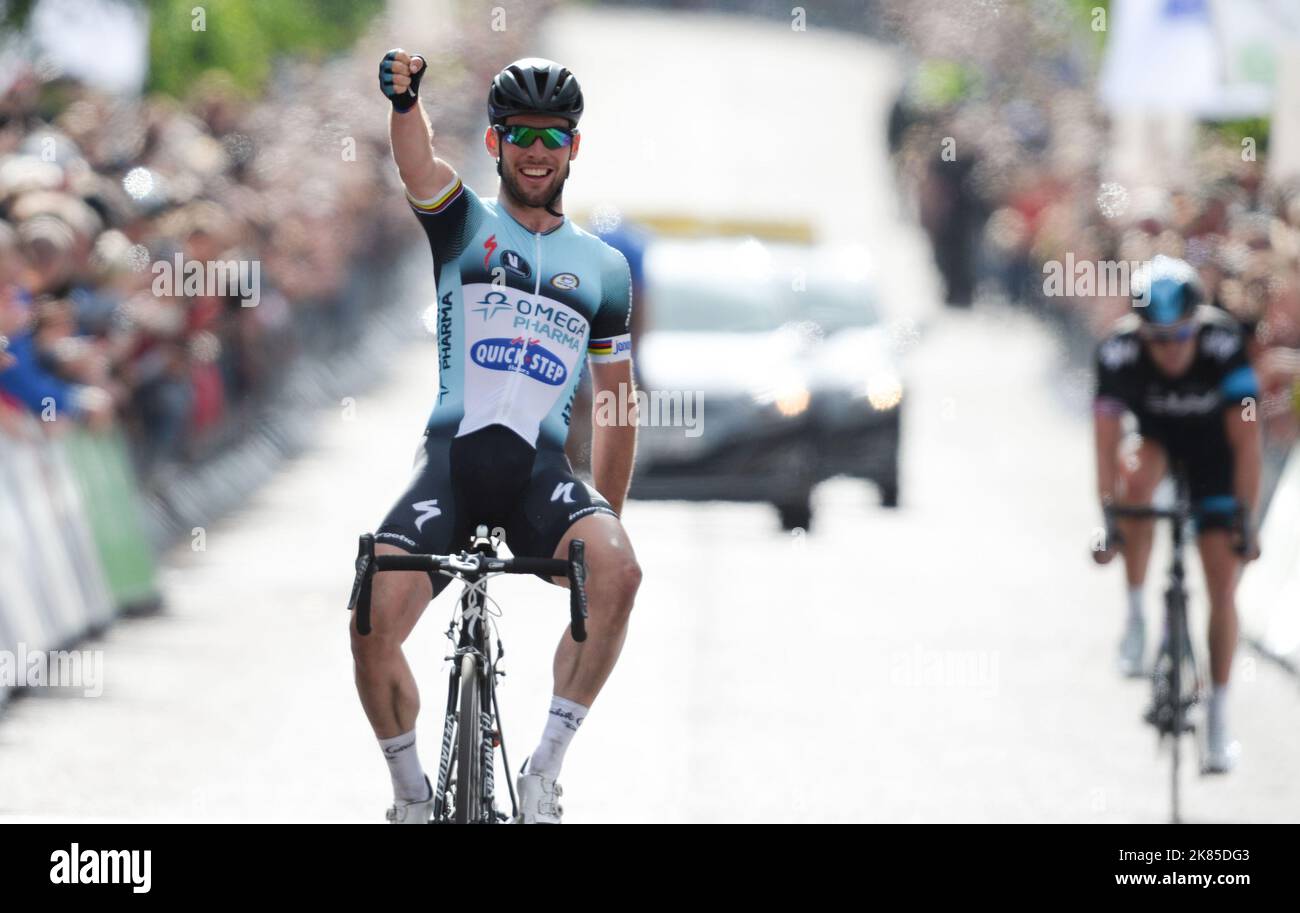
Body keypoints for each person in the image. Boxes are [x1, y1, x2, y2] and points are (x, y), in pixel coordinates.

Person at [353, 51, 642, 823]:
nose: (537, 151)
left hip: (540, 472)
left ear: (574, 147)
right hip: (452, 463)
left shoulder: (605, 268)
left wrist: (603, 518)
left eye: (553, 136)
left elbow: (615, 400)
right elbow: (416, 163)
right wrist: (406, 101)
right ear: (495, 143)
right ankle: (411, 793)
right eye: (521, 134)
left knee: (620, 568)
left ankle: (545, 768)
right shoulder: (463, 226)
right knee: (370, 618)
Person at [1092, 255, 1261, 774]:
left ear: (1197, 324)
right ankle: (1138, 614)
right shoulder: (1118, 352)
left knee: (1220, 581)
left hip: (1216, 455)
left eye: (1181, 336)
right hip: (1157, 441)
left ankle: (1218, 719)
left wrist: (1245, 522)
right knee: (1136, 478)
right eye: (1157, 339)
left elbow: (1248, 441)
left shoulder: (1224, 345)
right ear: (1139, 331)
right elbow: (1104, 447)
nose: (1170, 349)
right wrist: (1110, 521)